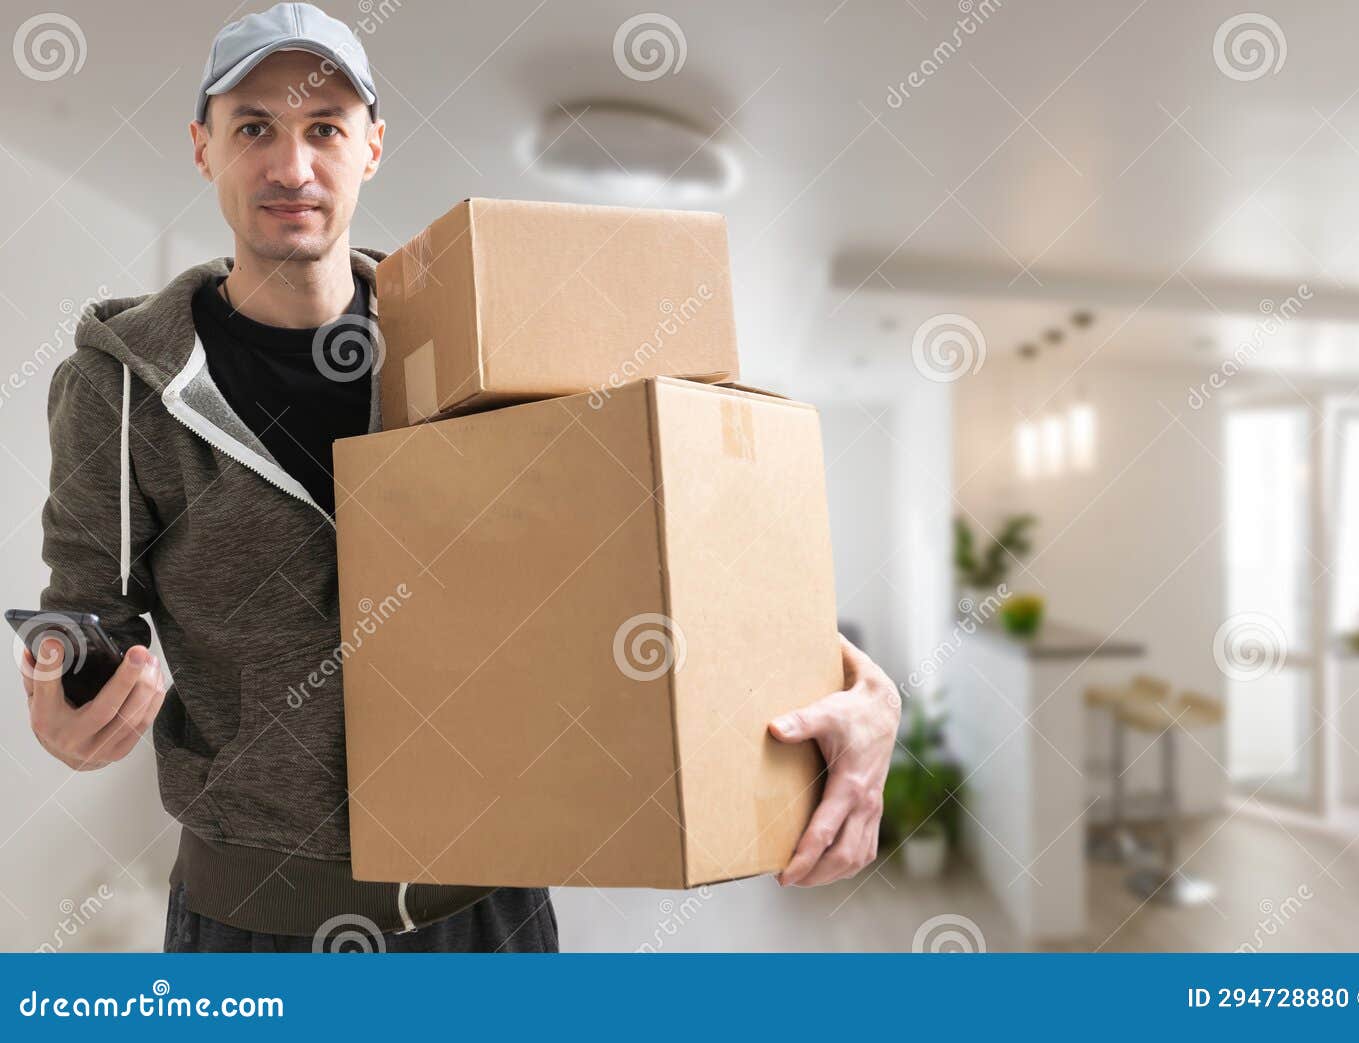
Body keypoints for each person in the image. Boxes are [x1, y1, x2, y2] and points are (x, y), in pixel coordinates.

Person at [20, 2, 898, 954]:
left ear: (372, 146)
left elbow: (654, 538)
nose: (292, 166)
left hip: (489, 916)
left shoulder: (473, 336)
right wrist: (63, 683)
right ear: (204, 147)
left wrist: (863, 687)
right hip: (253, 926)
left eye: (325, 129)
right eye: (254, 128)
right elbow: (85, 615)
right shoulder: (120, 388)